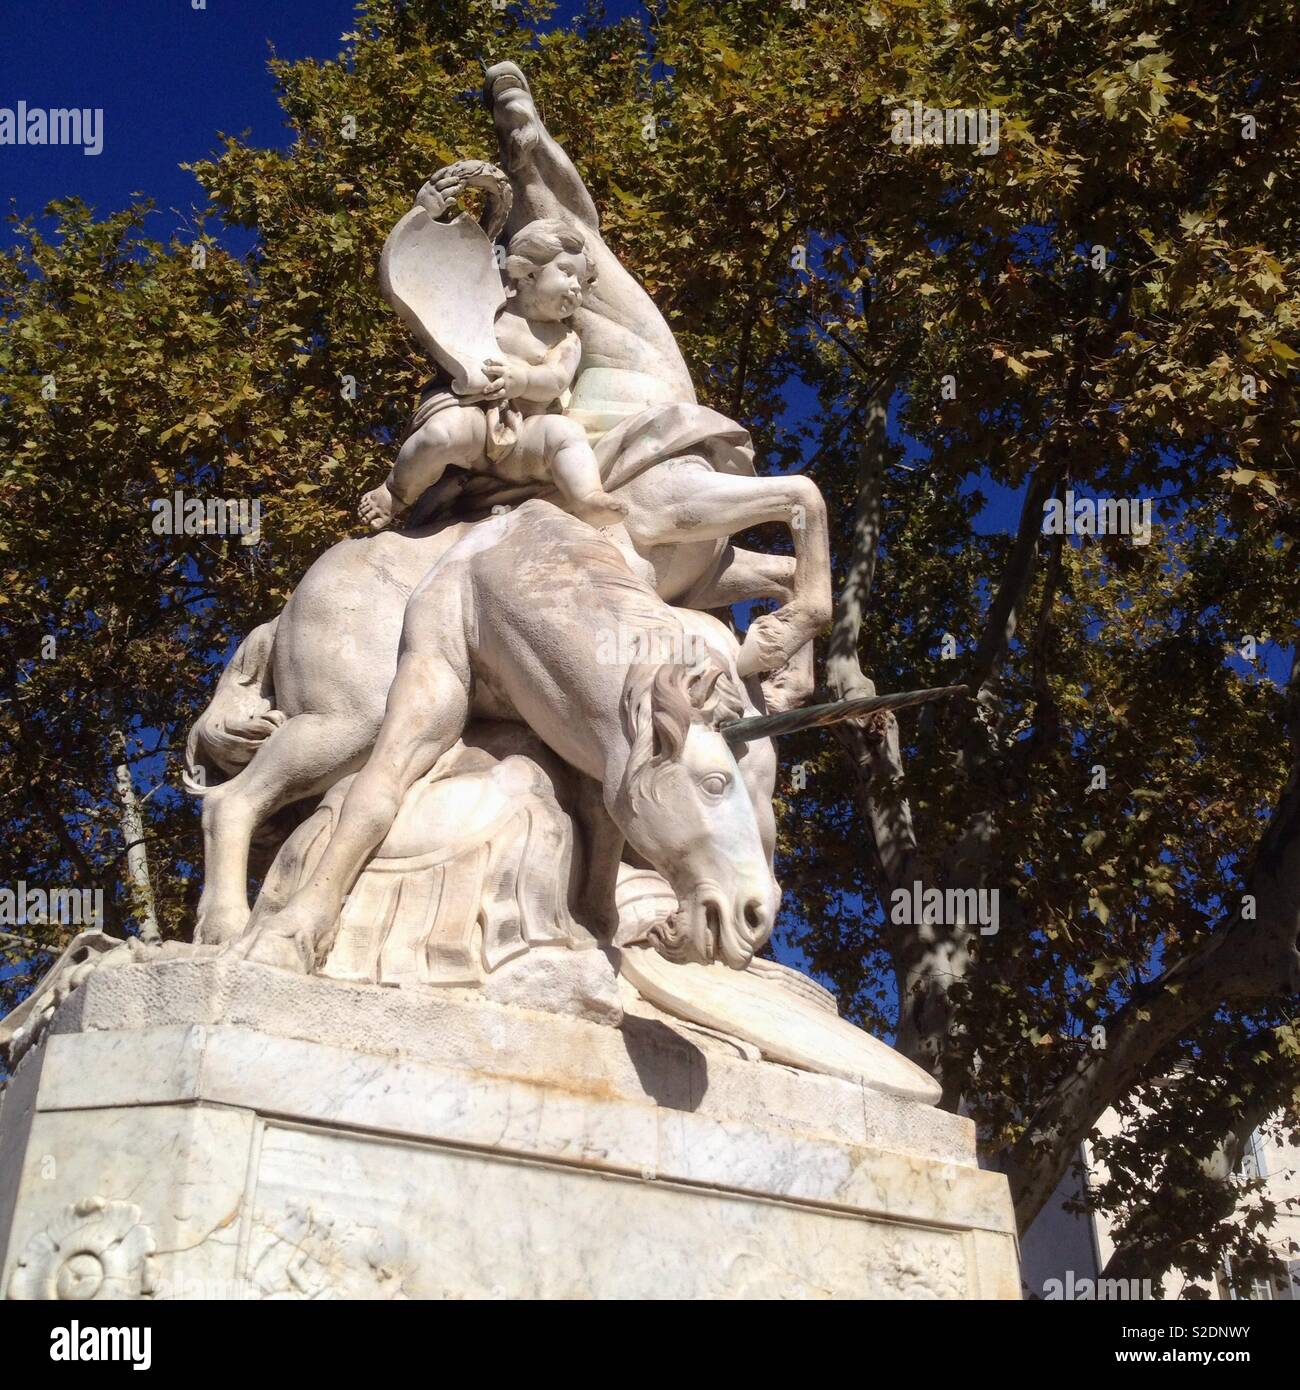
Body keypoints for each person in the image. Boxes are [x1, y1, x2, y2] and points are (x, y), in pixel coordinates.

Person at [358, 218, 628, 531]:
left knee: (565, 433)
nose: (575, 288)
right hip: (473, 416)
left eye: (581, 283)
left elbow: (556, 380)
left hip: (524, 433)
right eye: (566, 272)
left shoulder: (566, 339)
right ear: (528, 270)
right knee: (440, 435)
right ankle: (394, 493)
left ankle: (586, 497)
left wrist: (524, 379)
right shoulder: (491, 311)